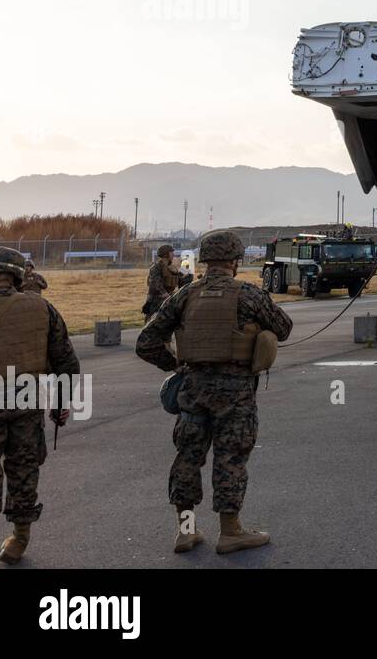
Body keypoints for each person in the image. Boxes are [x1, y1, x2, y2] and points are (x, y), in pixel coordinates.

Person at [136, 231, 292, 554]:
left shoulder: (185, 295)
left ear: (206, 260)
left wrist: (176, 364)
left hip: (193, 389)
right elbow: (284, 327)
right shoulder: (248, 294)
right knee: (231, 457)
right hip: (235, 393)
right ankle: (231, 531)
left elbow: (146, 342)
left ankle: (186, 531)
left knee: (188, 457)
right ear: (235, 261)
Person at [0, 247, 81, 566]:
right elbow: (66, 363)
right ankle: (19, 539)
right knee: (24, 471)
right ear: (16, 275)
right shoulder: (43, 308)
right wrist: (60, 405)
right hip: (26, 404)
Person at [143, 244, 181, 322]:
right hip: (156, 299)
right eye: (171, 252)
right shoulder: (156, 267)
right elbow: (155, 282)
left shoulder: (171, 267)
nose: (173, 254)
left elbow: (178, 279)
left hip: (168, 297)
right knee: (152, 322)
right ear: (166, 254)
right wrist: (164, 294)